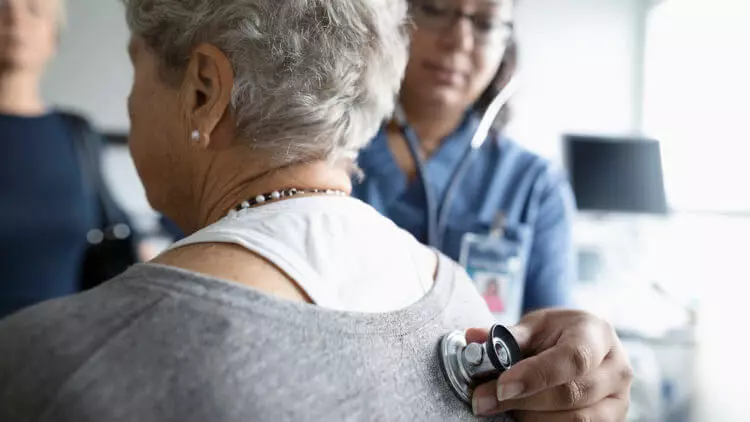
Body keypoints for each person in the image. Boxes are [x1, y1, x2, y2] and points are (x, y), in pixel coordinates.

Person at [0, 0, 631, 421]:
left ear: (203, 91)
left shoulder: (50, 364)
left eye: (135, 72)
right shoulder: (456, 290)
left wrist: (574, 372)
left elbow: (546, 353)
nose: (460, 41)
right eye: (438, 8)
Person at [353, 0, 576, 322]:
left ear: (506, 44)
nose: (458, 40)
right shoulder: (326, 150)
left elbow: (548, 340)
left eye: (485, 24)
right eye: (433, 9)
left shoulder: (534, 185)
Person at [0, 0, 139, 319]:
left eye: (33, 10)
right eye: (2, 9)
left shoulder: (77, 134)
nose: (15, 20)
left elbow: (119, 231)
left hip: (62, 354)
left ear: (54, 38)